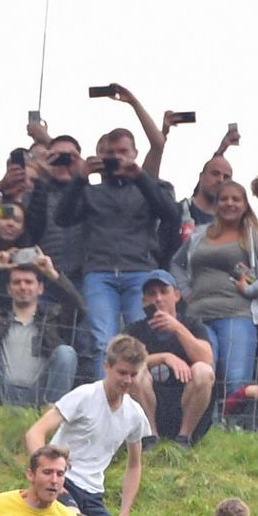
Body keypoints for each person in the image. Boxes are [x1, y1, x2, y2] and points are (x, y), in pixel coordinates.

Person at [51, 125, 183, 358]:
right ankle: (105, 394)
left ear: (134, 154)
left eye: (123, 151)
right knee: (103, 342)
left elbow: (171, 215)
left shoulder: (148, 186)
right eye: (110, 153)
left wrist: (140, 177)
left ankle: (140, 394)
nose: (117, 158)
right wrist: (80, 178)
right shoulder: (91, 191)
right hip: (99, 273)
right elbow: (62, 217)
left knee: (140, 341)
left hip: (139, 272)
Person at [24, 335, 150, 516]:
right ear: (107, 366)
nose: (127, 380)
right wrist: (49, 477)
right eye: (122, 372)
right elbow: (35, 432)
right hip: (65, 482)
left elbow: (135, 465)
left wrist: (123, 515)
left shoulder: (134, 414)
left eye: (133, 375)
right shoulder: (84, 396)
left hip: (93, 493)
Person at [173, 180, 258, 399]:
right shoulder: (199, 234)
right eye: (224, 199)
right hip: (198, 316)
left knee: (236, 378)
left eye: (236, 199)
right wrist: (186, 291)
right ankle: (205, 427)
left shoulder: (252, 234)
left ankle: (236, 428)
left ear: (245, 205)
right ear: (216, 205)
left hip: (237, 315)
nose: (229, 203)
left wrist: (253, 289)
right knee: (204, 372)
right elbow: (175, 264)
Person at [0, 257, 80, 409]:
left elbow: (78, 309)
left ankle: (51, 416)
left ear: (40, 288)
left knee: (66, 352)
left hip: (38, 395)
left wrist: (52, 273)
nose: (22, 287)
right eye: (17, 282)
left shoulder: (52, 319)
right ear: (8, 289)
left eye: (28, 282)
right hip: (1, 394)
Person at [124, 271, 216, 443]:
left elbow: (207, 358)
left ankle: (184, 438)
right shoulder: (134, 331)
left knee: (203, 370)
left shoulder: (193, 325)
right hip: (148, 408)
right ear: (144, 301)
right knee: (135, 369)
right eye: (152, 294)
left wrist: (177, 328)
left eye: (163, 291)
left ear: (176, 296)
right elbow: (122, 364)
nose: (158, 298)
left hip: (186, 406)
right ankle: (150, 437)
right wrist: (164, 357)